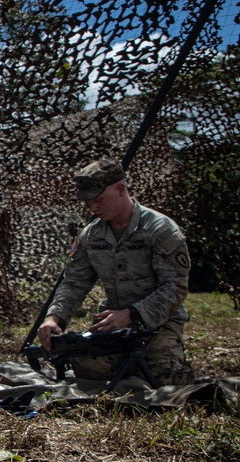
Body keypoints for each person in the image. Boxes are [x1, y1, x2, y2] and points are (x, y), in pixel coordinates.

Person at [36, 158, 193, 386]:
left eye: (98, 200)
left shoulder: (160, 229)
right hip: (111, 326)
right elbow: (74, 282)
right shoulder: (91, 235)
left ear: (121, 189)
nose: (93, 208)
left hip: (158, 324)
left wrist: (132, 314)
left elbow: (175, 287)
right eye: (88, 202)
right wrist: (53, 318)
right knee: (87, 369)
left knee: (164, 377)